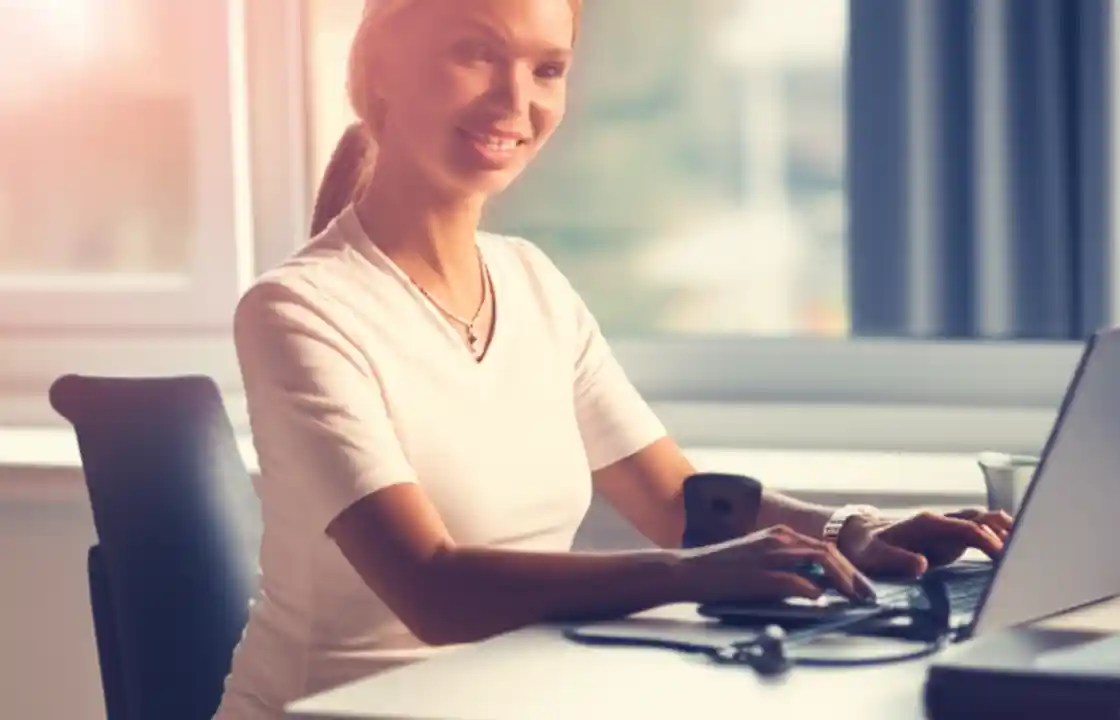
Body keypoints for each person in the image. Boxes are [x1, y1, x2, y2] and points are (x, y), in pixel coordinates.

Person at [215, 0, 1012, 717]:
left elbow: (677, 501)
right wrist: (690, 577)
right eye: (476, 54)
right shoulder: (300, 311)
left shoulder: (532, 281)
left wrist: (850, 533)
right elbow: (433, 589)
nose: (515, 101)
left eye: (547, 68)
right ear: (380, 68)